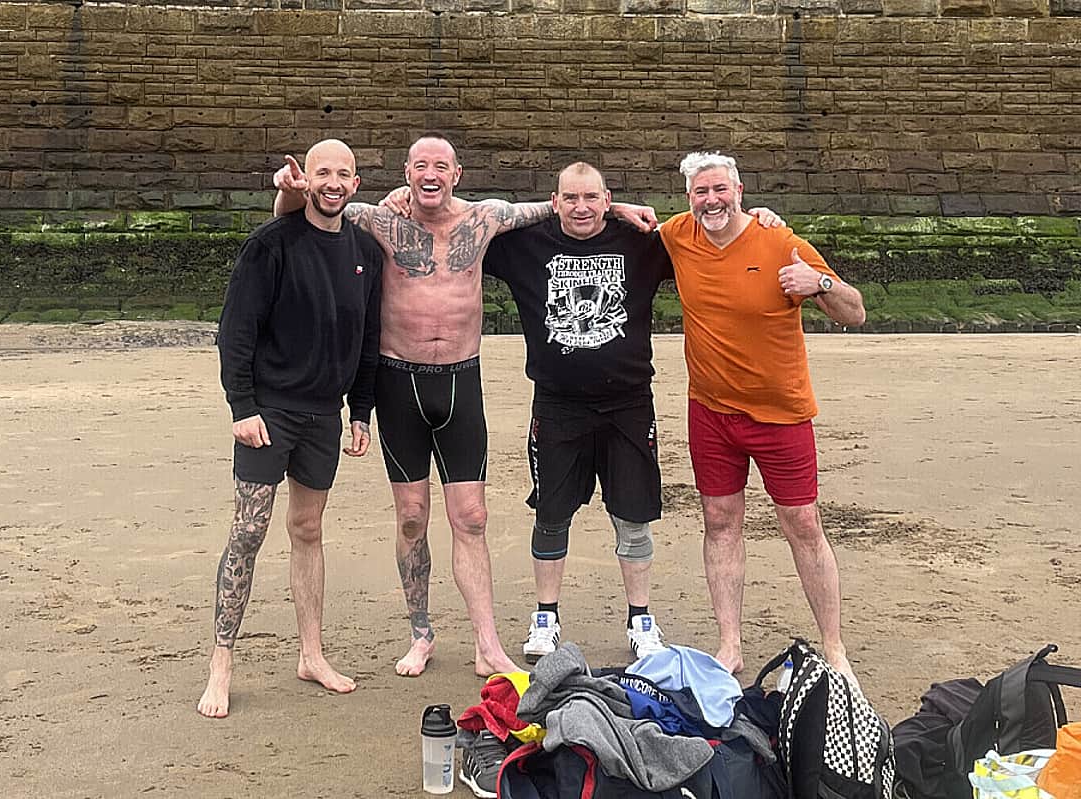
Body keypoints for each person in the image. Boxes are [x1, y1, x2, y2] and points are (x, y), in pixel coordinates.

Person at [273, 134, 656, 678]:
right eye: (420, 165)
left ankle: (486, 642)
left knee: (472, 518)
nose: (430, 174)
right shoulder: (379, 220)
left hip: (460, 380)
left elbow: (559, 207)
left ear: (456, 174)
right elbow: (306, 211)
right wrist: (287, 189)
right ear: (406, 173)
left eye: (441, 166)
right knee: (412, 517)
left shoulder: (485, 218)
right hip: (399, 380)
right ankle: (421, 634)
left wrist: (617, 208)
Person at [484, 162, 784, 664]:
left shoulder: (643, 242)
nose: (581, 208)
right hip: (557, 405)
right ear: (554, 202)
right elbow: (463, 231)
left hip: (628, 404)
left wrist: (761, 219)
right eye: (570, 198)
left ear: (608, 200)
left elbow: (713, 236)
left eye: (592, 198)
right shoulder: (525, 245)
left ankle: (640, 619)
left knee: (633, 514)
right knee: (552, 514)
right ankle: (545, 616)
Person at [657, 151, 867, 679]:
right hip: (711, 412)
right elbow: (613, 219)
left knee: (803, 523)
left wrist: (818, 284)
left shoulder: (779, 242)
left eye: (720, 190)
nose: (711, 201)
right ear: (688, 198)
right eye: (701, 192)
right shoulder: (678, 235)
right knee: (720, 521)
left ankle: (834, 647)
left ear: (740, 191)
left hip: (781, 414)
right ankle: (729, 644)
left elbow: (855, 311)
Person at [197, 139, 383, 718]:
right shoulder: (271, 243)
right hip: (269, 411)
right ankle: (221, 663)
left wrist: (360, 410)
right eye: (323, 172)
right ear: (307, 180)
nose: (333, 183)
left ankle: (312, 654)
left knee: (308, 528)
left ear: (355, 185)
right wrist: (241, 406)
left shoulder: (364, 252)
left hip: (324, 415)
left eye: (343, 174)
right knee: (248, 530)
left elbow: (368, 338)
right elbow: (236, 330)